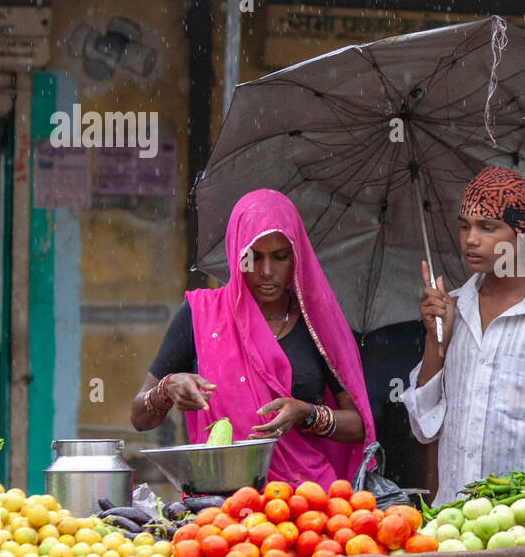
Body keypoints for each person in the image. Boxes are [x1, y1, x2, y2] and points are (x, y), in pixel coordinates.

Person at [131, 189, 374, 488]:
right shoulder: (200, 314)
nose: (267, 271)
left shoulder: (316, 323)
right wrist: (167, 389)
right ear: (236, 253)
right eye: (253, 257)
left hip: (305, 505)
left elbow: (360, 426)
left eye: (280, 257)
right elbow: (139, 417)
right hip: (220, 504)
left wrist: (305, 413)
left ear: (296, 256)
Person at [401, 166, 525, 506]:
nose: (470, 239)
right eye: (464, 225)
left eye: (487, 227)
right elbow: (424, 428)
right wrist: (437, 340)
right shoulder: (454, 309)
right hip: (455, 520)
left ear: (520, 234)